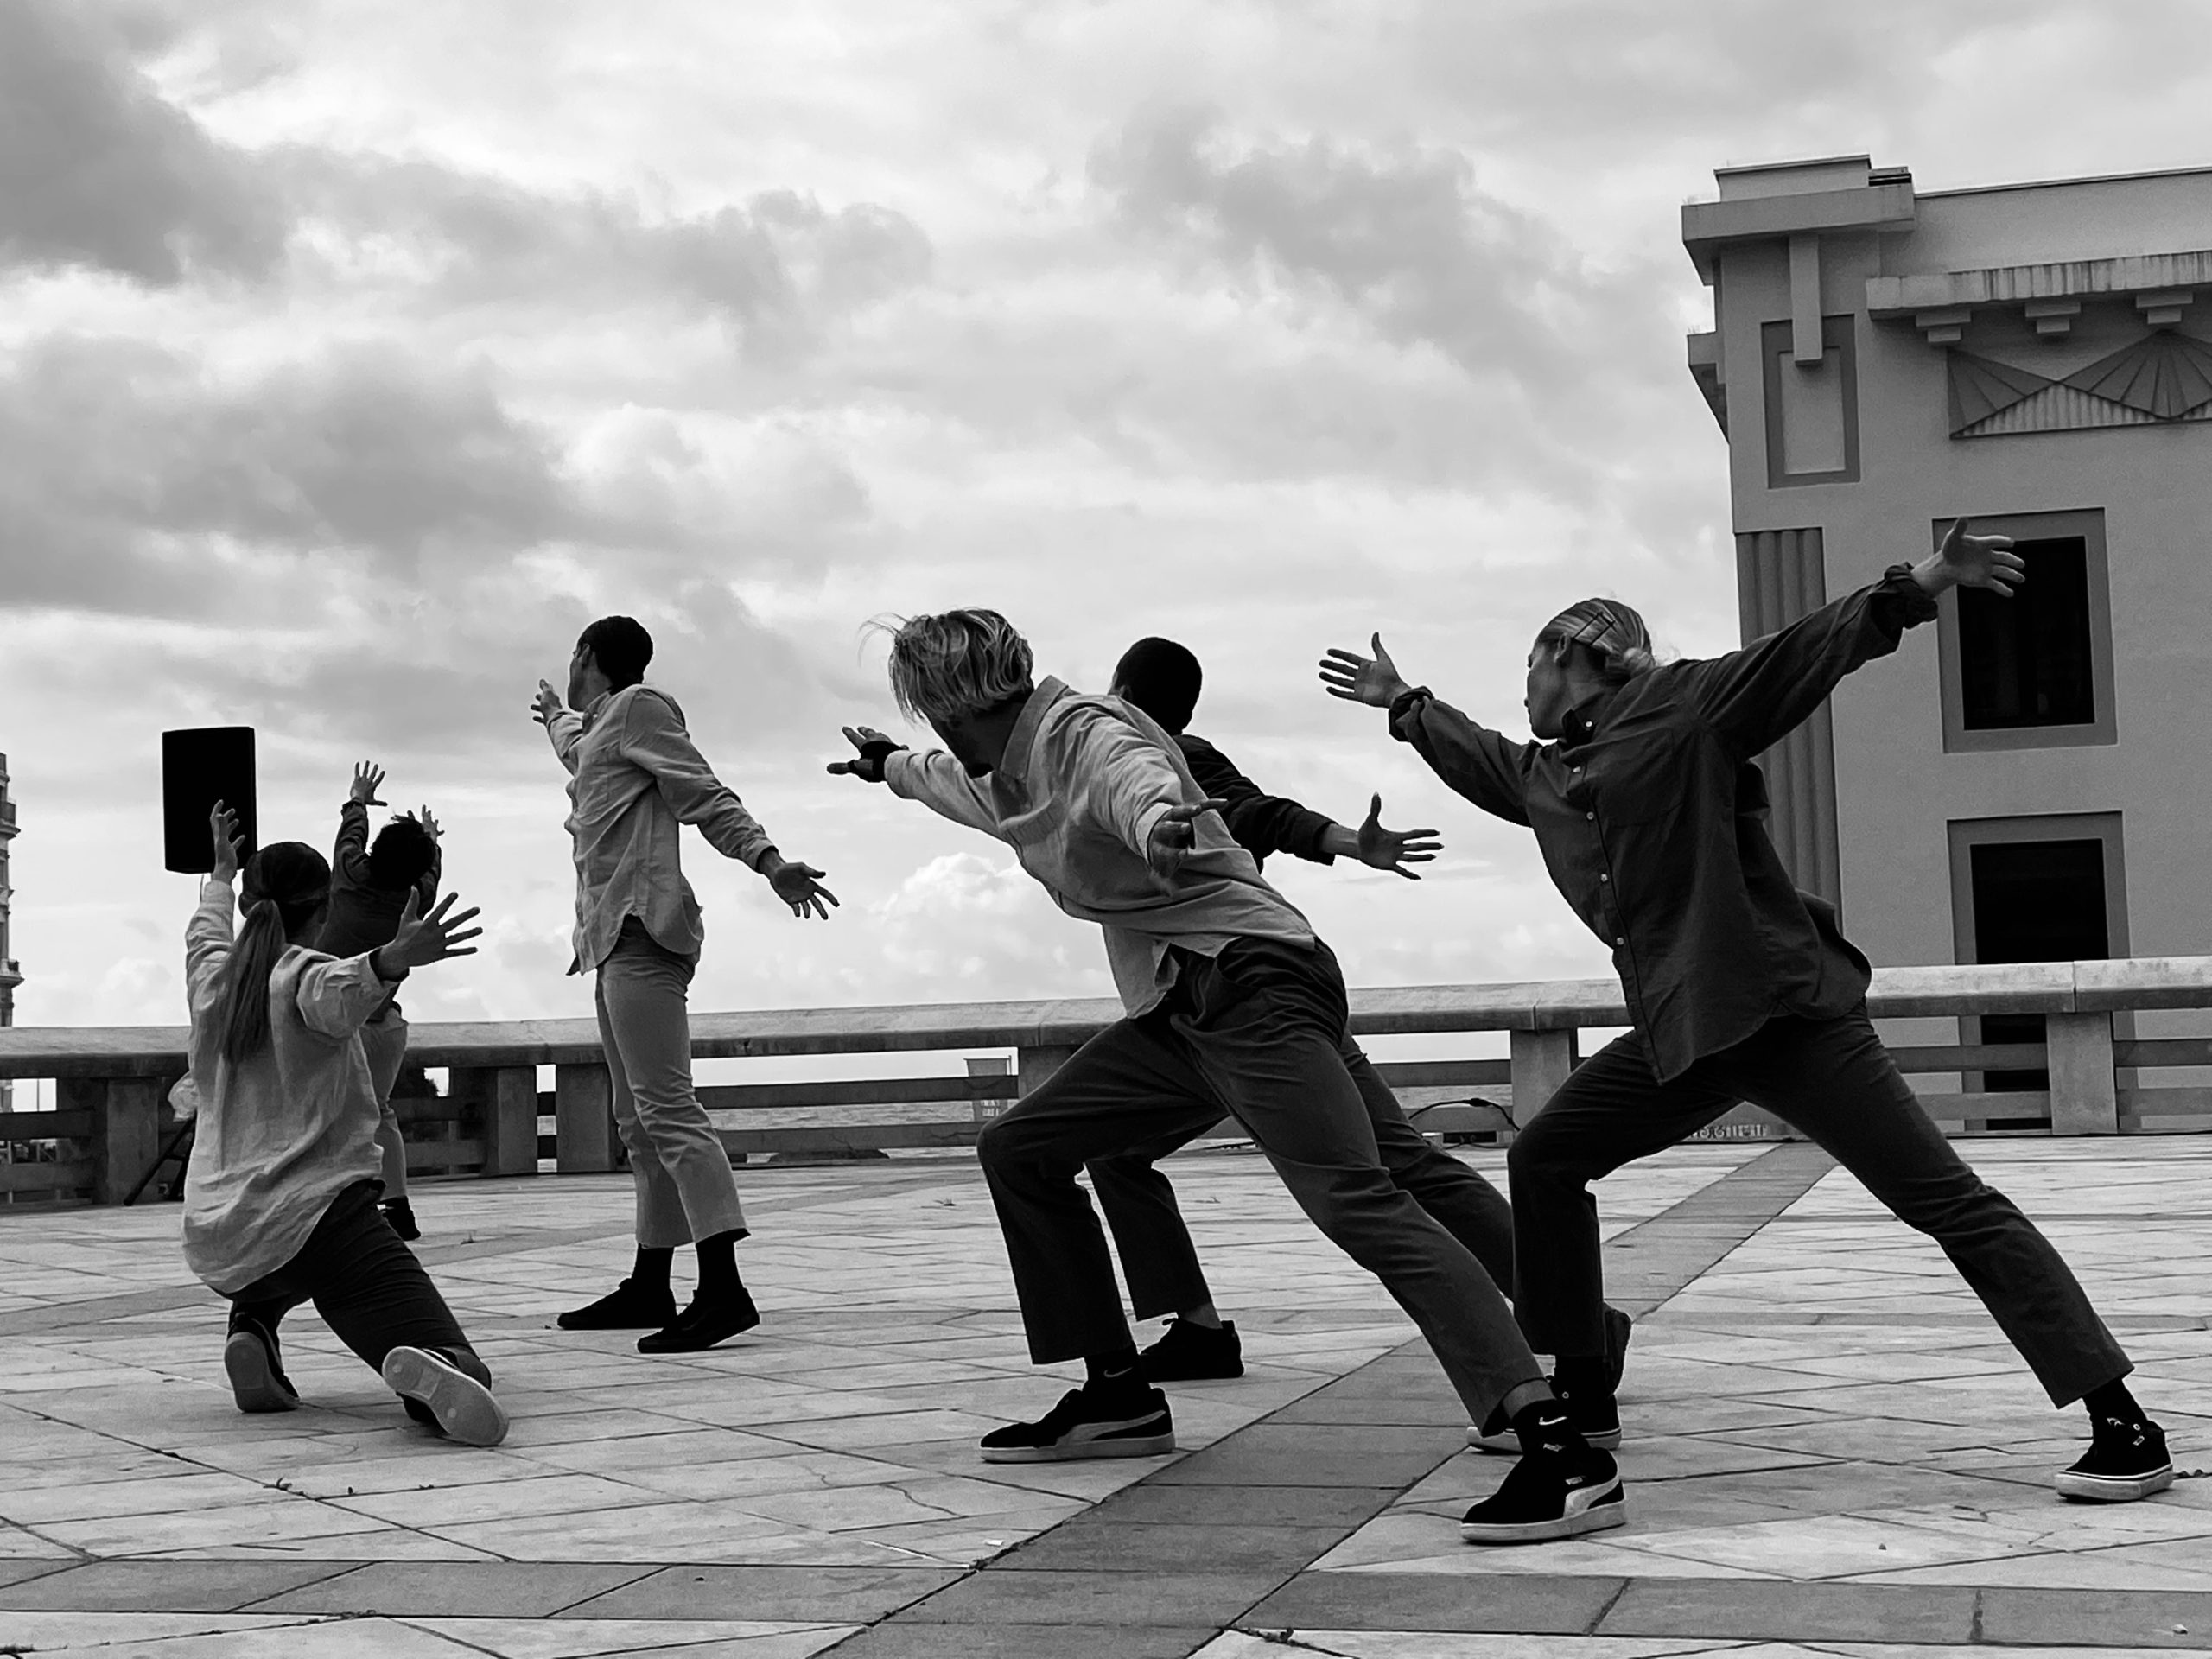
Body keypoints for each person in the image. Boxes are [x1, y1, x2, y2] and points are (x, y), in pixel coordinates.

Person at [1320, 518, 2171, 1503]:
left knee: (1943, 1202)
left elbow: (1802, 653)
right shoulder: (1552, 774)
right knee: (1545, 1154)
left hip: (1785, 1015)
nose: (1521, 686)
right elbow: (1485, 759)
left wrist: (1924, 581)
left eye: (1528, 660)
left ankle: (2122, 1420)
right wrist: (1407, 705)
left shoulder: (1685, 707)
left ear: (1571, 655)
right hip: (1685, 1031)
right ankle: (1584, 1385)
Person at [831, 609, 1626, 1546]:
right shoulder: (996, 772)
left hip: (1249, 983)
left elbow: (1138, 783)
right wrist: (884, 764)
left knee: (1360, 1199)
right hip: (1184, 1008)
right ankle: (1117, 1393)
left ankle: (1557, 1445)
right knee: (1021, 1148)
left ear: (939, 701)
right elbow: (934, 781)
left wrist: (1161, 826)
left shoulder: (1086, 730)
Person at [1098, 637, 1630, 1416]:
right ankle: (1200, 1328)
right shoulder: (1143, 753)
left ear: (1116, 690)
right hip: (1237, 996)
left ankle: (1535, 1382)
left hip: (1238, 1008)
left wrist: (1349, 842)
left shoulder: (1167, 757)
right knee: (1390, 1163)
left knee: (1370, 1186)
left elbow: (1258, 814)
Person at [534, 614, 839, 1354]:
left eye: (573, 658)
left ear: (588, 657)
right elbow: (578, 751)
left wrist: (770, 863)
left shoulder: (641, 709)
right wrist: (554, 720)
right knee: (637, 1125)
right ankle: (649, 1283)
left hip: (643, 929)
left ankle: (724, 1289)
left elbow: (703, 794)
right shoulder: (603, 727)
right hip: (608, 941)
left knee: (669, 1113)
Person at [178, 803, 505, 1445]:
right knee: (466, 1368)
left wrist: (220, 873)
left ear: (250, 904)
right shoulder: (303, 976)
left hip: (223, 1234)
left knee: (271, 1258)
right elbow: (344, 987)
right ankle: (428, 1363)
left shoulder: (213, 982)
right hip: (322, 1222)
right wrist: (392, 959)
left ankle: (253, 1331)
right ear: (322, 909)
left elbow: (202, 934)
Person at [314, 761, 442, 1242]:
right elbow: (430, 870)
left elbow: (347, 841)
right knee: (379, 1113)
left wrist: (358, 799)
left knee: (322, 1115)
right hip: (385, 1025)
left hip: (336, 1021)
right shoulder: (415, 900)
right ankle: (397, 1206)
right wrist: (431, 839)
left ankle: (332, 1207)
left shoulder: (348, 877)